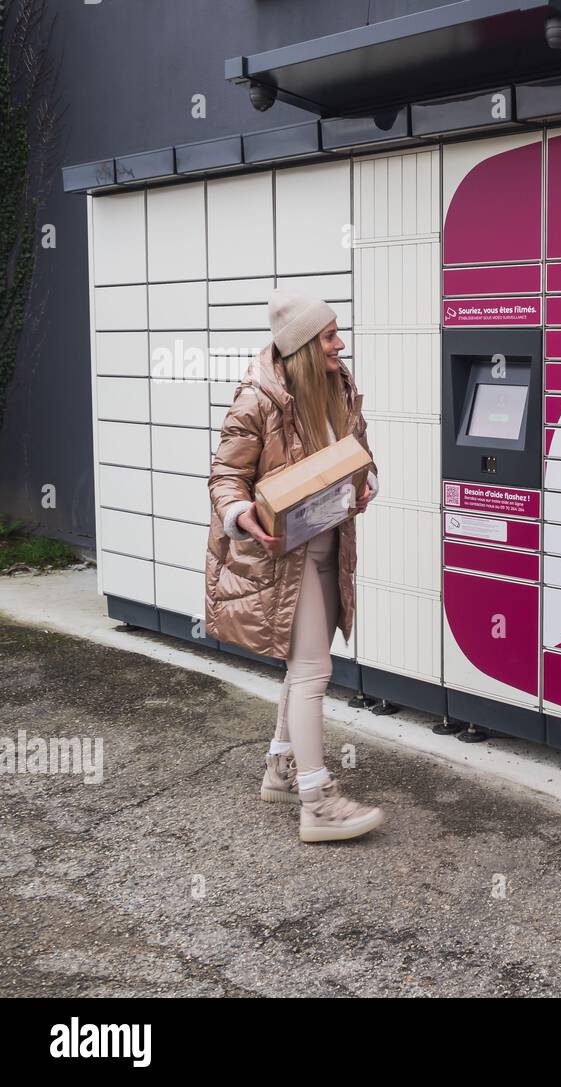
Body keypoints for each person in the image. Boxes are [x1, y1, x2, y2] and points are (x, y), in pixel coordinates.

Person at [205, 289, 384, 843]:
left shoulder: (340, 387)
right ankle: (317, 800)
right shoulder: (257, 399)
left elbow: (359, 453)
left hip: (329, 543)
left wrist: (367, 481)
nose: (340, 344)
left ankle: (280, 767)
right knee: (313, 670)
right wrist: (239, 514)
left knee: (305, 660)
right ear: (306, 345)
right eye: (330, 336)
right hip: (285, 556)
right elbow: (225, 478)